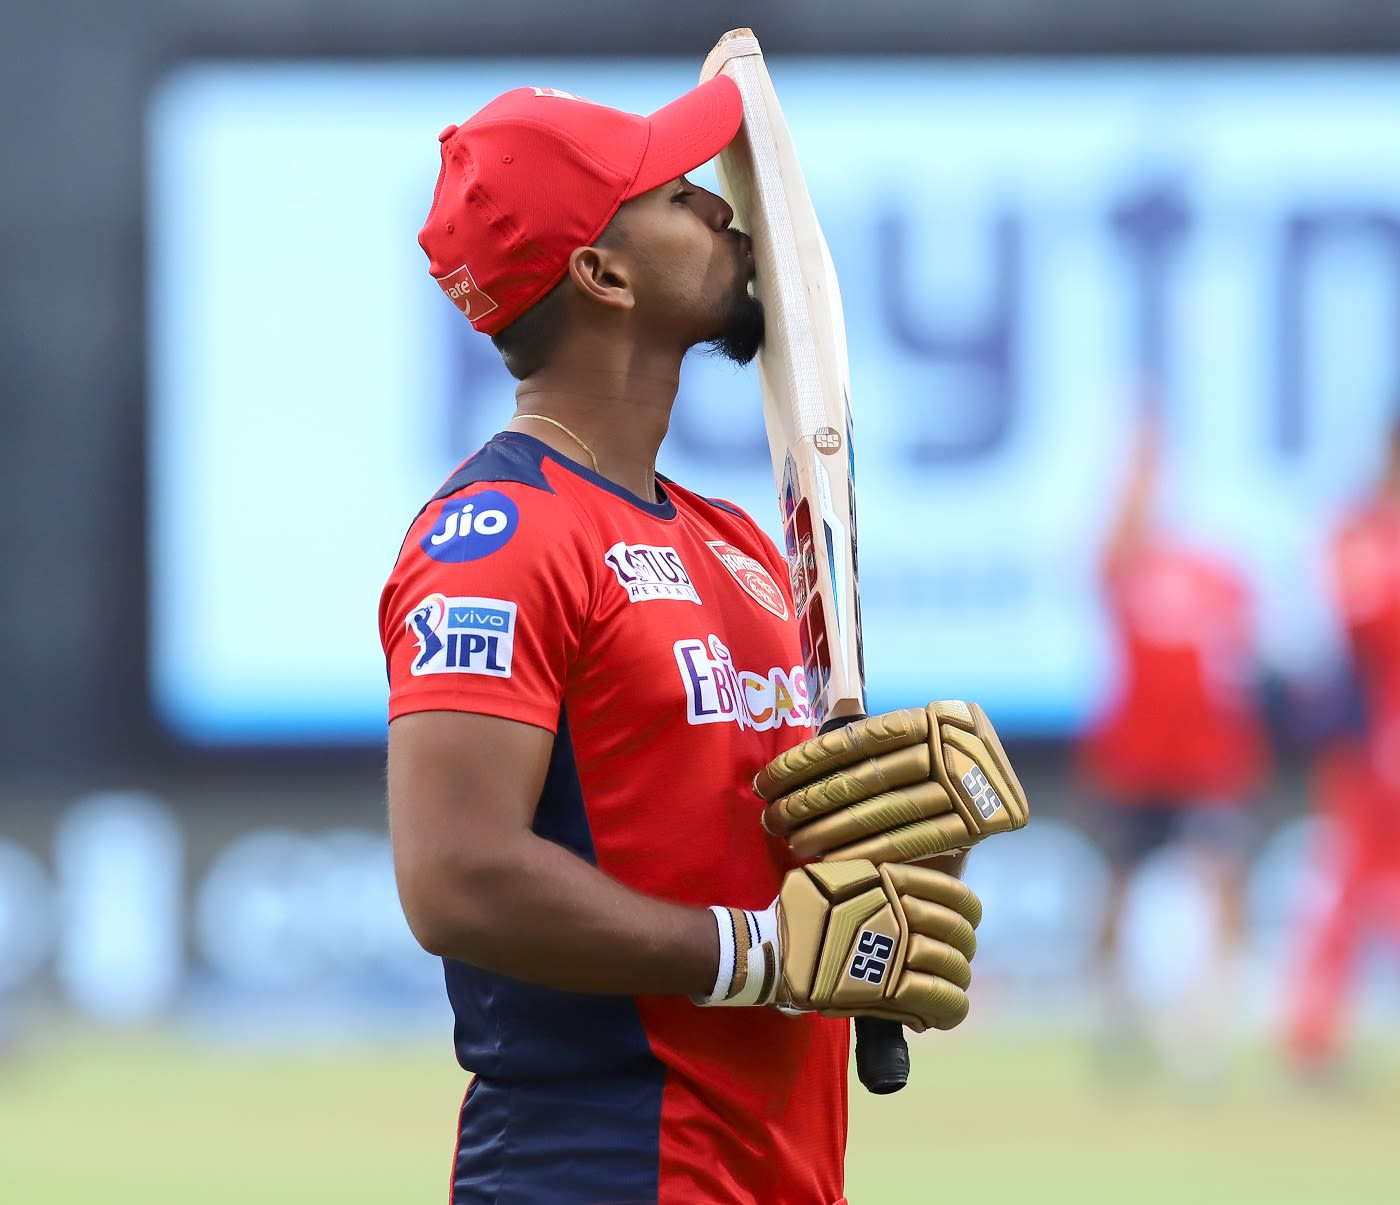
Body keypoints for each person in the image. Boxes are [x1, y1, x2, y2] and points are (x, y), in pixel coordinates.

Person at [378, 79, 1002, 1204]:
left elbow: (800, 909)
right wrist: (757, 952)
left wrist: (902, 880)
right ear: (601, 273)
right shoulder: (493, 537)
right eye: (675, 194)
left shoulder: (738, 543)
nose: (723, 211)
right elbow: (454, 878)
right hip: (602, 1170)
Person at [1076, 425, 1271, 1078]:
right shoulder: (1125, 566)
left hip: (1208, 763)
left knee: (1220, 879)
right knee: (1119, 886)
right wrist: (1132, 475)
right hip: (1136, 761)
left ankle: (1207, 1021)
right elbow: (1105, 551)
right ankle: (1116, 1010)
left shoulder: (1221, 576)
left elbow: (1243, 665)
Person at [1284, 423, 1400, 1080]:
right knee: (1348, 888)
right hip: (1367, 747)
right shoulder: (1356, 533)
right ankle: (1315, 1034)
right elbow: (1338, 635)